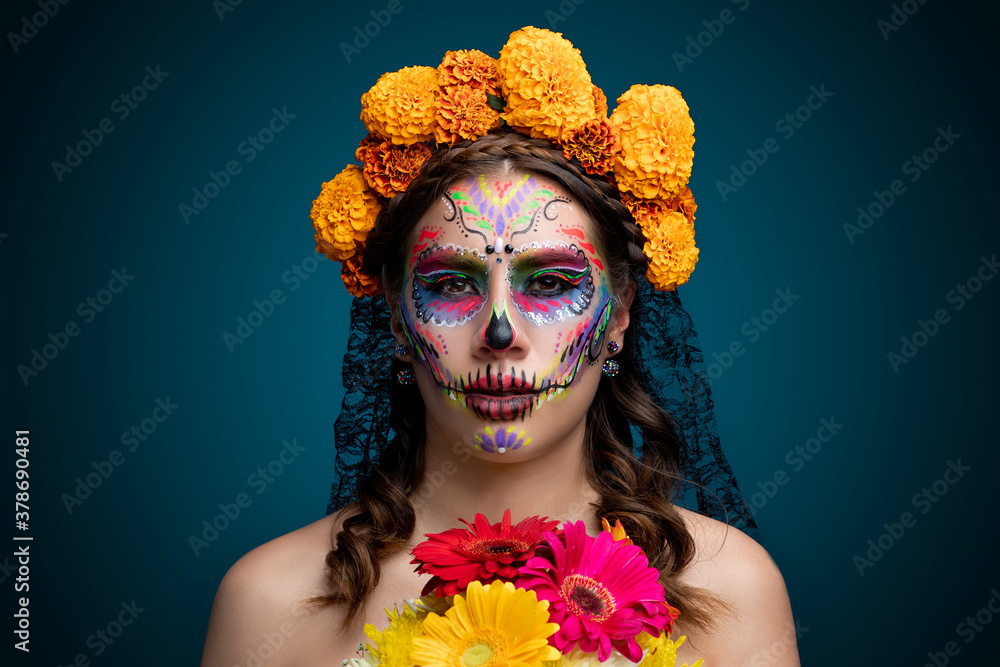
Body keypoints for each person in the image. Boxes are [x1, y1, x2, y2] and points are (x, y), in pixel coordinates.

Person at [201, 27, 798, 667]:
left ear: (619, 315)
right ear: (398, 318)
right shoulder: (271, 602)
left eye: (550, 283)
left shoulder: (729, 591)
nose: (500, 331)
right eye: (452, 283)